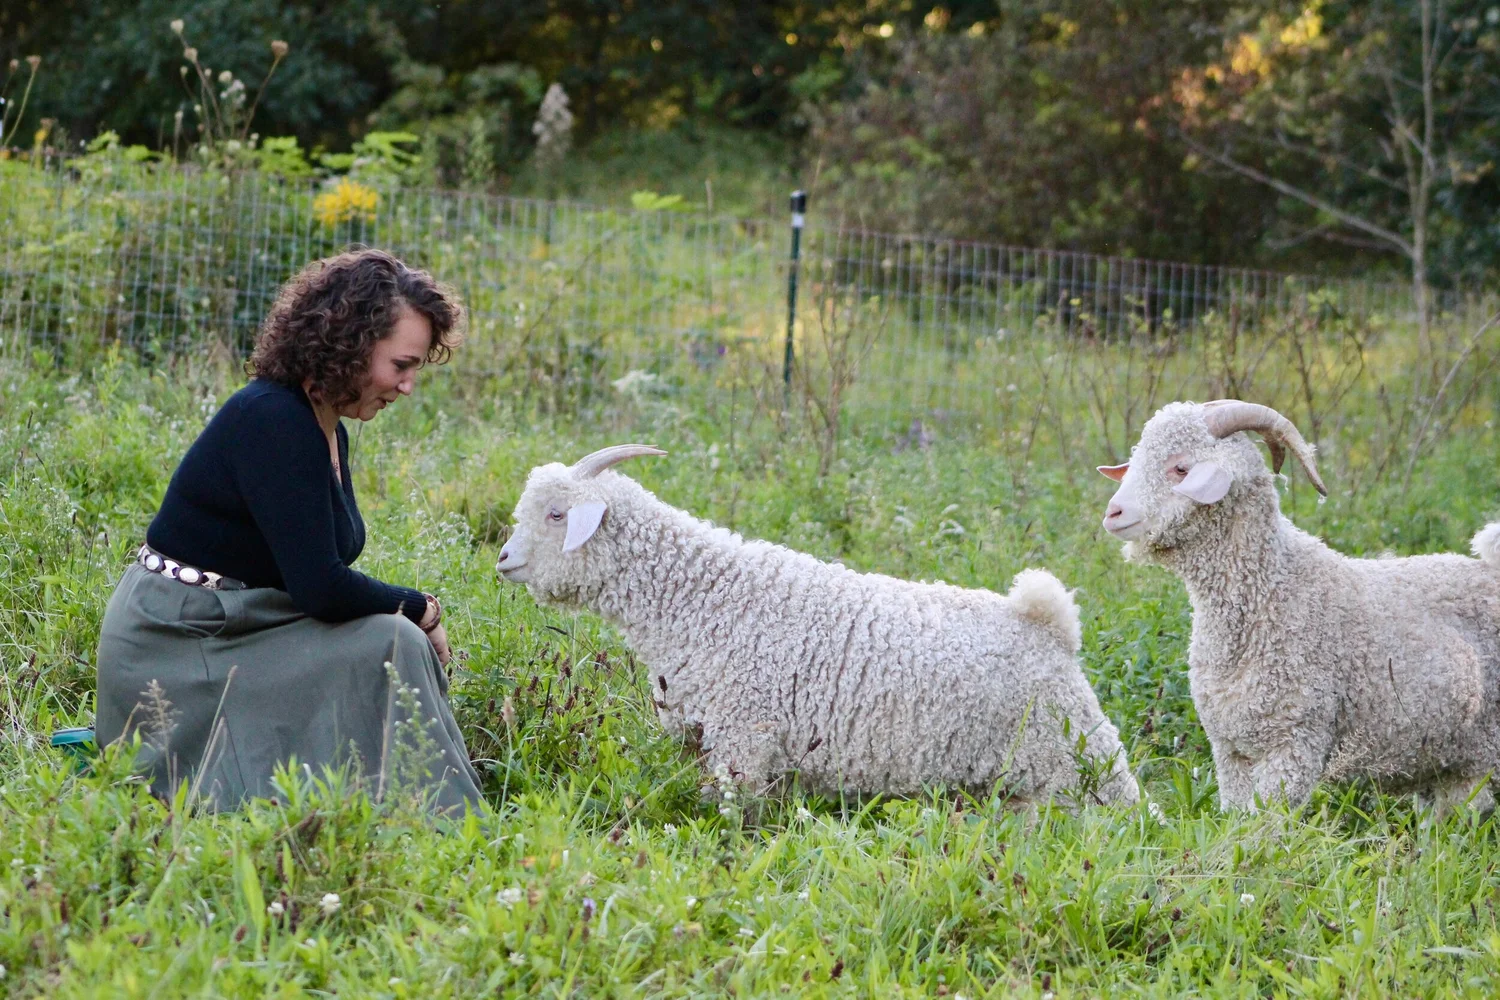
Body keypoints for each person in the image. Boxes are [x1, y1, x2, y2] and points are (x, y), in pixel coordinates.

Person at [95, 249, 482, 814]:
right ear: (351, 344)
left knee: (387, 637)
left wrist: (408, 611)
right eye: (401, 365)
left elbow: (317, 580)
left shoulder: (326, 427)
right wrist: (423, 608)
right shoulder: (272, 419)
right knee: (393, 639)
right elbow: (321, 588)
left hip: (241, 621)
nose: (408, 386)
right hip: (177, 644)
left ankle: (400, 805)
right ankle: (437, 817)